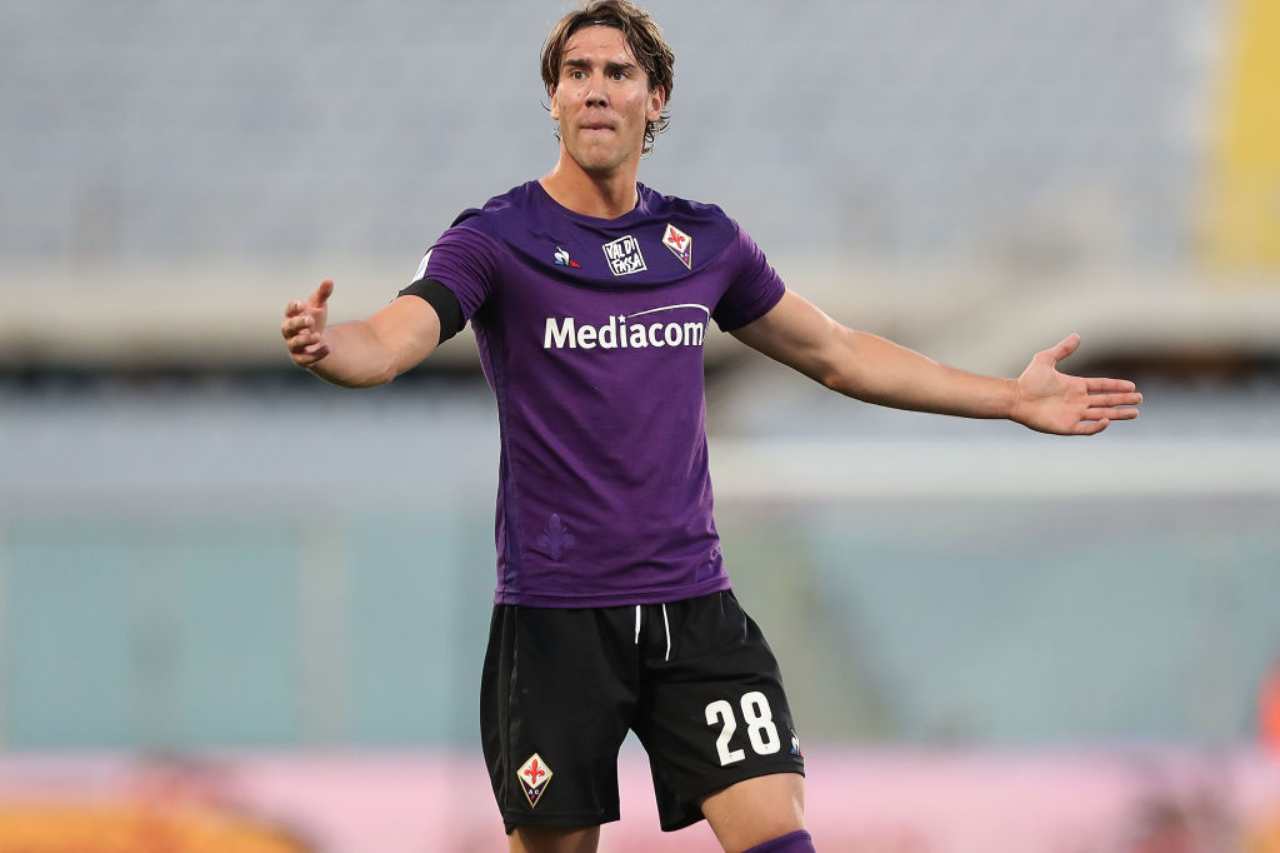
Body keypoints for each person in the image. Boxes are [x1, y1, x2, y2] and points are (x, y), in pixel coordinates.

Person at [278, 3, 1143, 850]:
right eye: (576, 72)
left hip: (694, 610)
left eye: (618, 72)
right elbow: (395, 335)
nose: (595, 89)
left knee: (778, 831)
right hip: (555, 617)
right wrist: (331, 347)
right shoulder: (497, 238)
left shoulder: (704, 241)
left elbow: (838, 352)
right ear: (553, 98)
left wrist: (1010, 397)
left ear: (654, 98)